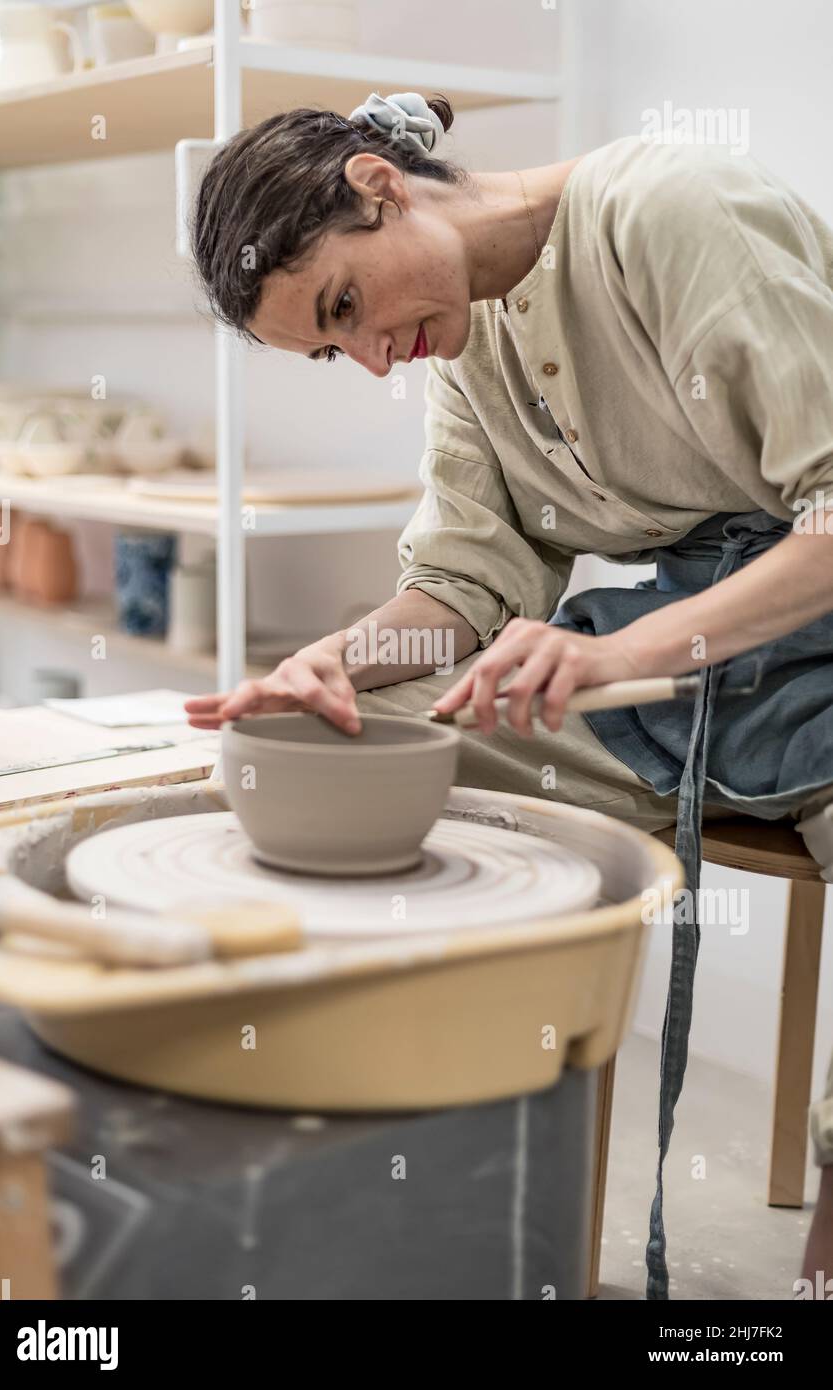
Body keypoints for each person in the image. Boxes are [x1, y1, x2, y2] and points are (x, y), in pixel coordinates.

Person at [186, 91, 833, 1299]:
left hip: (776, 620)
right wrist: (338, 661)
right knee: (352, 746)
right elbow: (463, 584)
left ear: (378, 184)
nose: (374, 354)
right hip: (703, 658)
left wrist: (620, 657)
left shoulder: (667, 208)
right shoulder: (456, 331)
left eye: (344, 305)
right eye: (338, 349)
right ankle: (412, 1150)